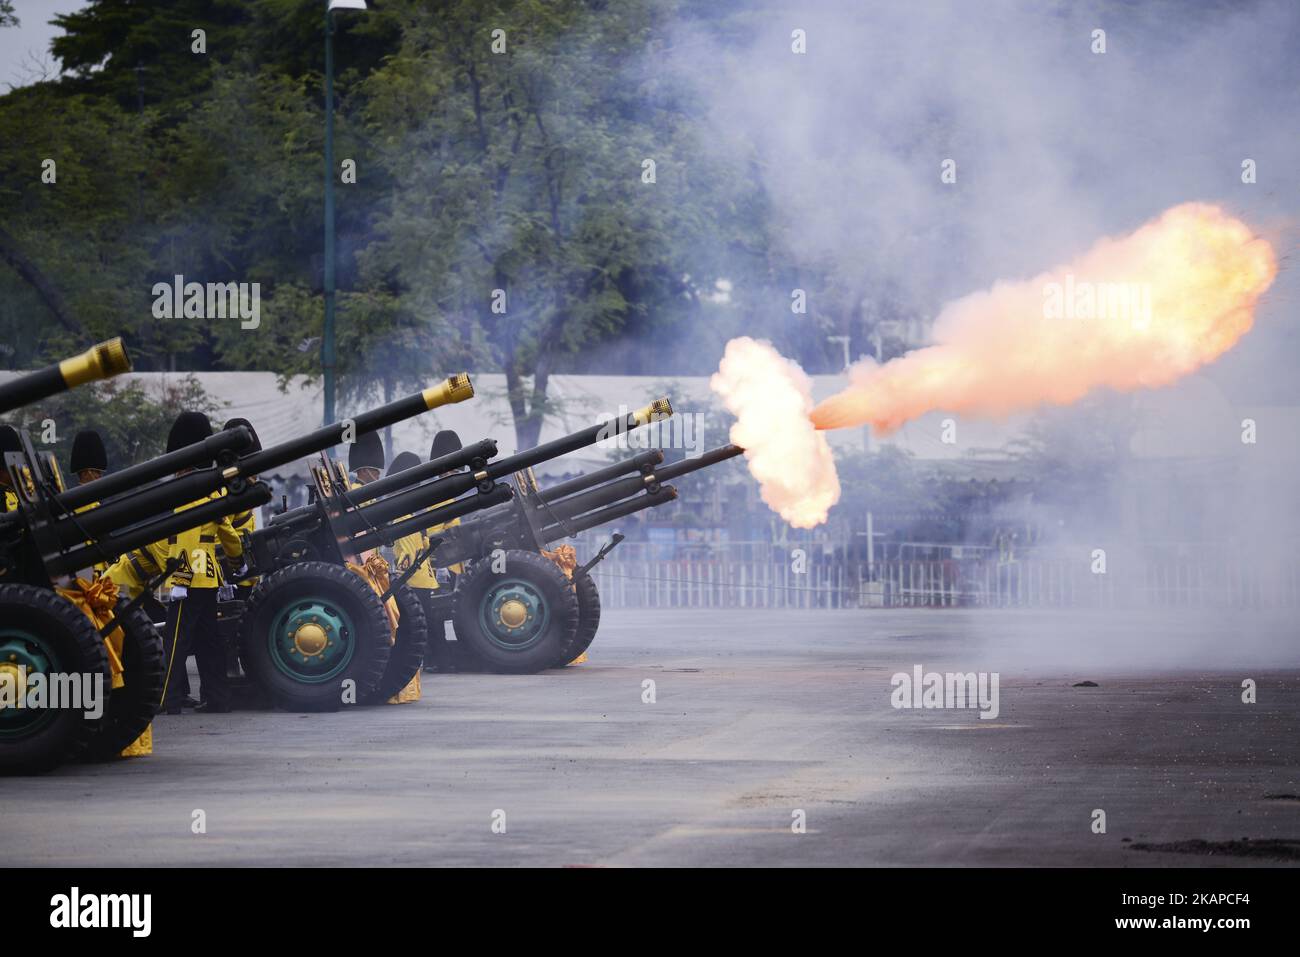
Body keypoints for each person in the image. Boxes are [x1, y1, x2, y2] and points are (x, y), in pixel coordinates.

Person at [154, 412, 245, 714]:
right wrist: (237, 560)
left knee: (176, 641)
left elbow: (183, 540)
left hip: (187, 575)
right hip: (209, 575)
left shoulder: (186, 492)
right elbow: (228, 533)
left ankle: (167, 698)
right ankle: (218, 697)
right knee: (210, 640)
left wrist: (178, 580)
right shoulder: (214, 490)